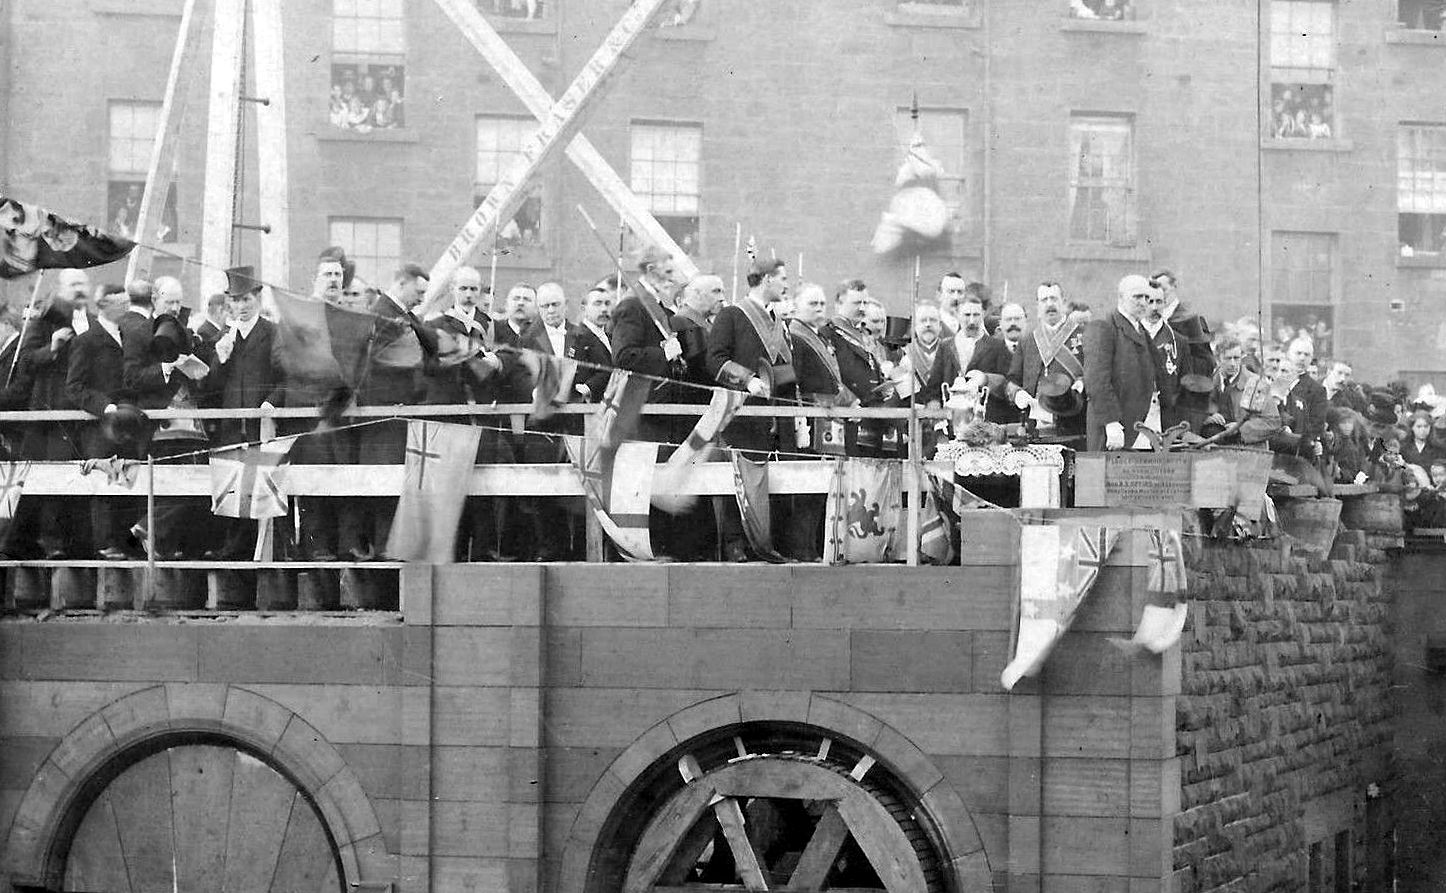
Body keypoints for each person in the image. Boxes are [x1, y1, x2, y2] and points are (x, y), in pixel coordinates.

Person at [707, 257, 796, 561]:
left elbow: (785, 368)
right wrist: (747, 380)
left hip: (776, 416)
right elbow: (715, 360)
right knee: (742, 479)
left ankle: (768, 543)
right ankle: (735, 544)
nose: (786, 285)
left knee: (773, 482)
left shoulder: (779, 321)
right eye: (782, 279)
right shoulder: (731, 316)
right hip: (742, 415)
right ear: (767, 279)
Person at [422, 266, 513, 561]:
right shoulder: (437, 324)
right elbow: (428, 366)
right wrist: (459, 358)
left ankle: (485, 549)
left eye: (474, 289)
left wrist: (498, 362)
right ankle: (455, 550)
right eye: (463, 288)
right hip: (453, 413)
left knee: (483, 480)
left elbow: (512, 356)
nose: (469, 294)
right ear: (453, 290)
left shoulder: (493, 325)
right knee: (452, 483)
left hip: (484, 413)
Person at [352, 263, 436, 561]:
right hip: (384, 417)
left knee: (398, 486)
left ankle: (392, 551)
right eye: (418, 291)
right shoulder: (381, 314)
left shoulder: (407, 316)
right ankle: (384, 555)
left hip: (402, 415)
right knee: (384, 487)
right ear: (401, 283)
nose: (422, 298)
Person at [202, 266, 286, 559]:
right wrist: (221, 359)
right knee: (231, 484)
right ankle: (232, 548)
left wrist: (271, 402)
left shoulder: (272, 332)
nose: (241, 306)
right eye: (236, 300)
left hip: (260, 424)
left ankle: (259, 550)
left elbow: (285, 377)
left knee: (261, 486)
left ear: (258, 298)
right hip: (231, 425)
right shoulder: (225, 336)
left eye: (247, 299)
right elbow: (211, 386)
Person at [15, 269, 92, 556]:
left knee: (78, 480)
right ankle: (42, 542)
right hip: (50, 414)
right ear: (60, 288)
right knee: (45, 480)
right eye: (73, 284)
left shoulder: (91, 321)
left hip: (81, 415)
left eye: (83, 284)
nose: (79, 289)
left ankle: (72, 545)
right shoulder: (43, 321)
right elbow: (25, 362)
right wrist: (53, 347)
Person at [66, 285, 144, 559]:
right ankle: (105, 545)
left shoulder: (129, 337)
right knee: (104, 485)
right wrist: (104, 406)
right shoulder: (86, 341)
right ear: (103, 305)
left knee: (130, 482)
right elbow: (74, 387)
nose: (126, 307)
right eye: (120, 303)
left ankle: (125, 545)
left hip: (128, 425)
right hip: (100, 429)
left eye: (127, 302)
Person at [1084, 274, 1159, 451]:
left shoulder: (1141, 330)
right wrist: (1111, 422)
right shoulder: (1104, 326)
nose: (1143, 302)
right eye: (1137, 297)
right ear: (1121, 297)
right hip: (1110, 429)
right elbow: (1096, 380)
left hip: (1135, 426)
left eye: (1147, 298)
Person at [1007, 282, 1087, 443]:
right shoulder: (1027, 340)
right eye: (1044, 300)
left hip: (1073, 425)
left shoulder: (1084, 336)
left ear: (1064, 302)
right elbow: (1012, 381)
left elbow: (1095, 375)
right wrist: (1017, 394)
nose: (1049, 304)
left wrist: (1083, 382)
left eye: (1054, 298)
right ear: (1038, 305)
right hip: (1033, 427)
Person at [1149, 269, 1214, 433]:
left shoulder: (1190, 319)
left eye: (1163, 289)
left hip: (1179, 399)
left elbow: (1207, 362)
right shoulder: (1147, 320)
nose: (1159, 294)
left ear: (1174, 287)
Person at [1203, 337, 1278, 444]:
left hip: (1246, 446)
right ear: (1217, 359)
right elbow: (1192, 413)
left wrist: (1240, 428)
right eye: (1228, 358)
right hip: (1213, 444)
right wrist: (1207, 418)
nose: (1233, 364)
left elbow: (1273, 422)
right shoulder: (1208, 381)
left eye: (1236, 358)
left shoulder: (1256, 384)